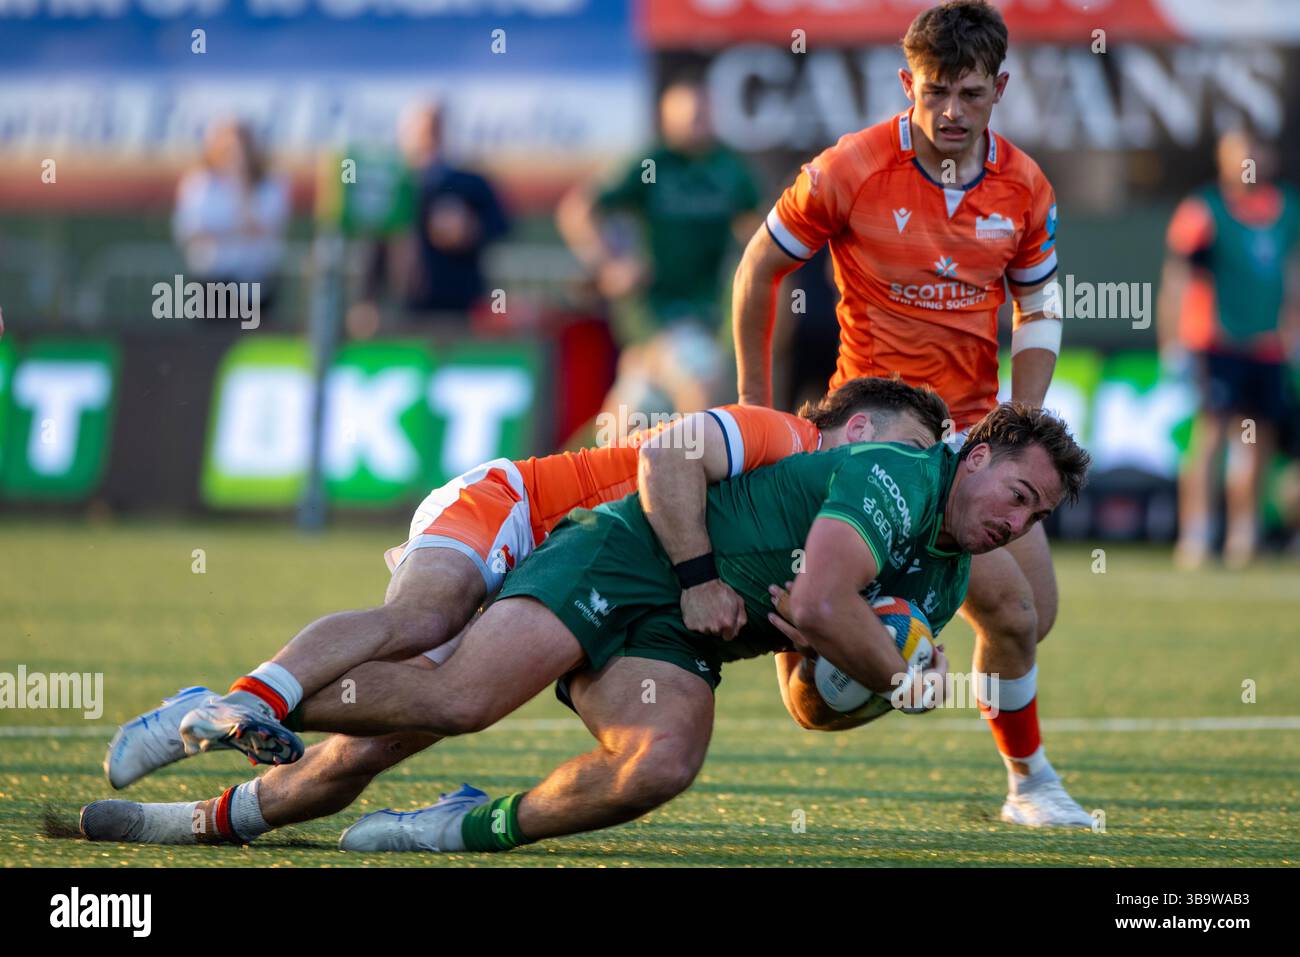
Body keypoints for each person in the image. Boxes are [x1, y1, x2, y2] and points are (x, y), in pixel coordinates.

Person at [86, 379, 947, 846]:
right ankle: (241, 698)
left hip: (600, 598)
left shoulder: (838, 537)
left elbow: (807, 694)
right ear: (856, 421)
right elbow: (664, 459)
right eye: (904, 443)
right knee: (428, 620)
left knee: (382, 739)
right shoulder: (789, 441)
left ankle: (201, 820)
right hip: (522, 512)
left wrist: (871, 660)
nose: (902, 470)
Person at [731, 0, 1088, 827]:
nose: (951, 112)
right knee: (828, 697)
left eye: (969, 93)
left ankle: (873, 611)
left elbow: (1039, 311)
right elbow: (757, 272)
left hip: (971, 433)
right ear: (907, 84)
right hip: (875, 426)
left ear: (1000, 87)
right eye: (935, 92)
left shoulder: (1026, 186)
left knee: (1034, 615)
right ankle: (1029, 780)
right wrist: (753, 409)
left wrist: (1019, 424)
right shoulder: (850, 168)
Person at [557, 80, 762, 426]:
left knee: (636, 414)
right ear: (666, 118)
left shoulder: (729, 168)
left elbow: (759, 231)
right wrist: (609, 263)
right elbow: (578, 209)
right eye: (685, 115)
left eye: (700, 113)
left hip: (705, 316)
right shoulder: (653, 164)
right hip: (651, 312)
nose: (694, 121)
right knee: (691, 392)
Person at [1158, 129, 1300, 569]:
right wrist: (1173, 342)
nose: (1248, 163)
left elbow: (1293, 277)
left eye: (1256, 154)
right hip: (1215, 343)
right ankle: (1197, 533)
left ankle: (1244, 534)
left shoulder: (1287, 211)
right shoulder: (1205, 210)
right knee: (1210, 436)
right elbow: (1177, 280)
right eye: (1239, 155)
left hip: (1267, 347)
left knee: (1255, 440)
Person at [173, 118, 290, 324]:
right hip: (212, 283)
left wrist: (239, 183)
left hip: (256, 282)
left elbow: (263, 228)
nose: (233, 155)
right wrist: (238, 231)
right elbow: (192, 231)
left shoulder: (270, 183)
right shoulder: (200, 184)